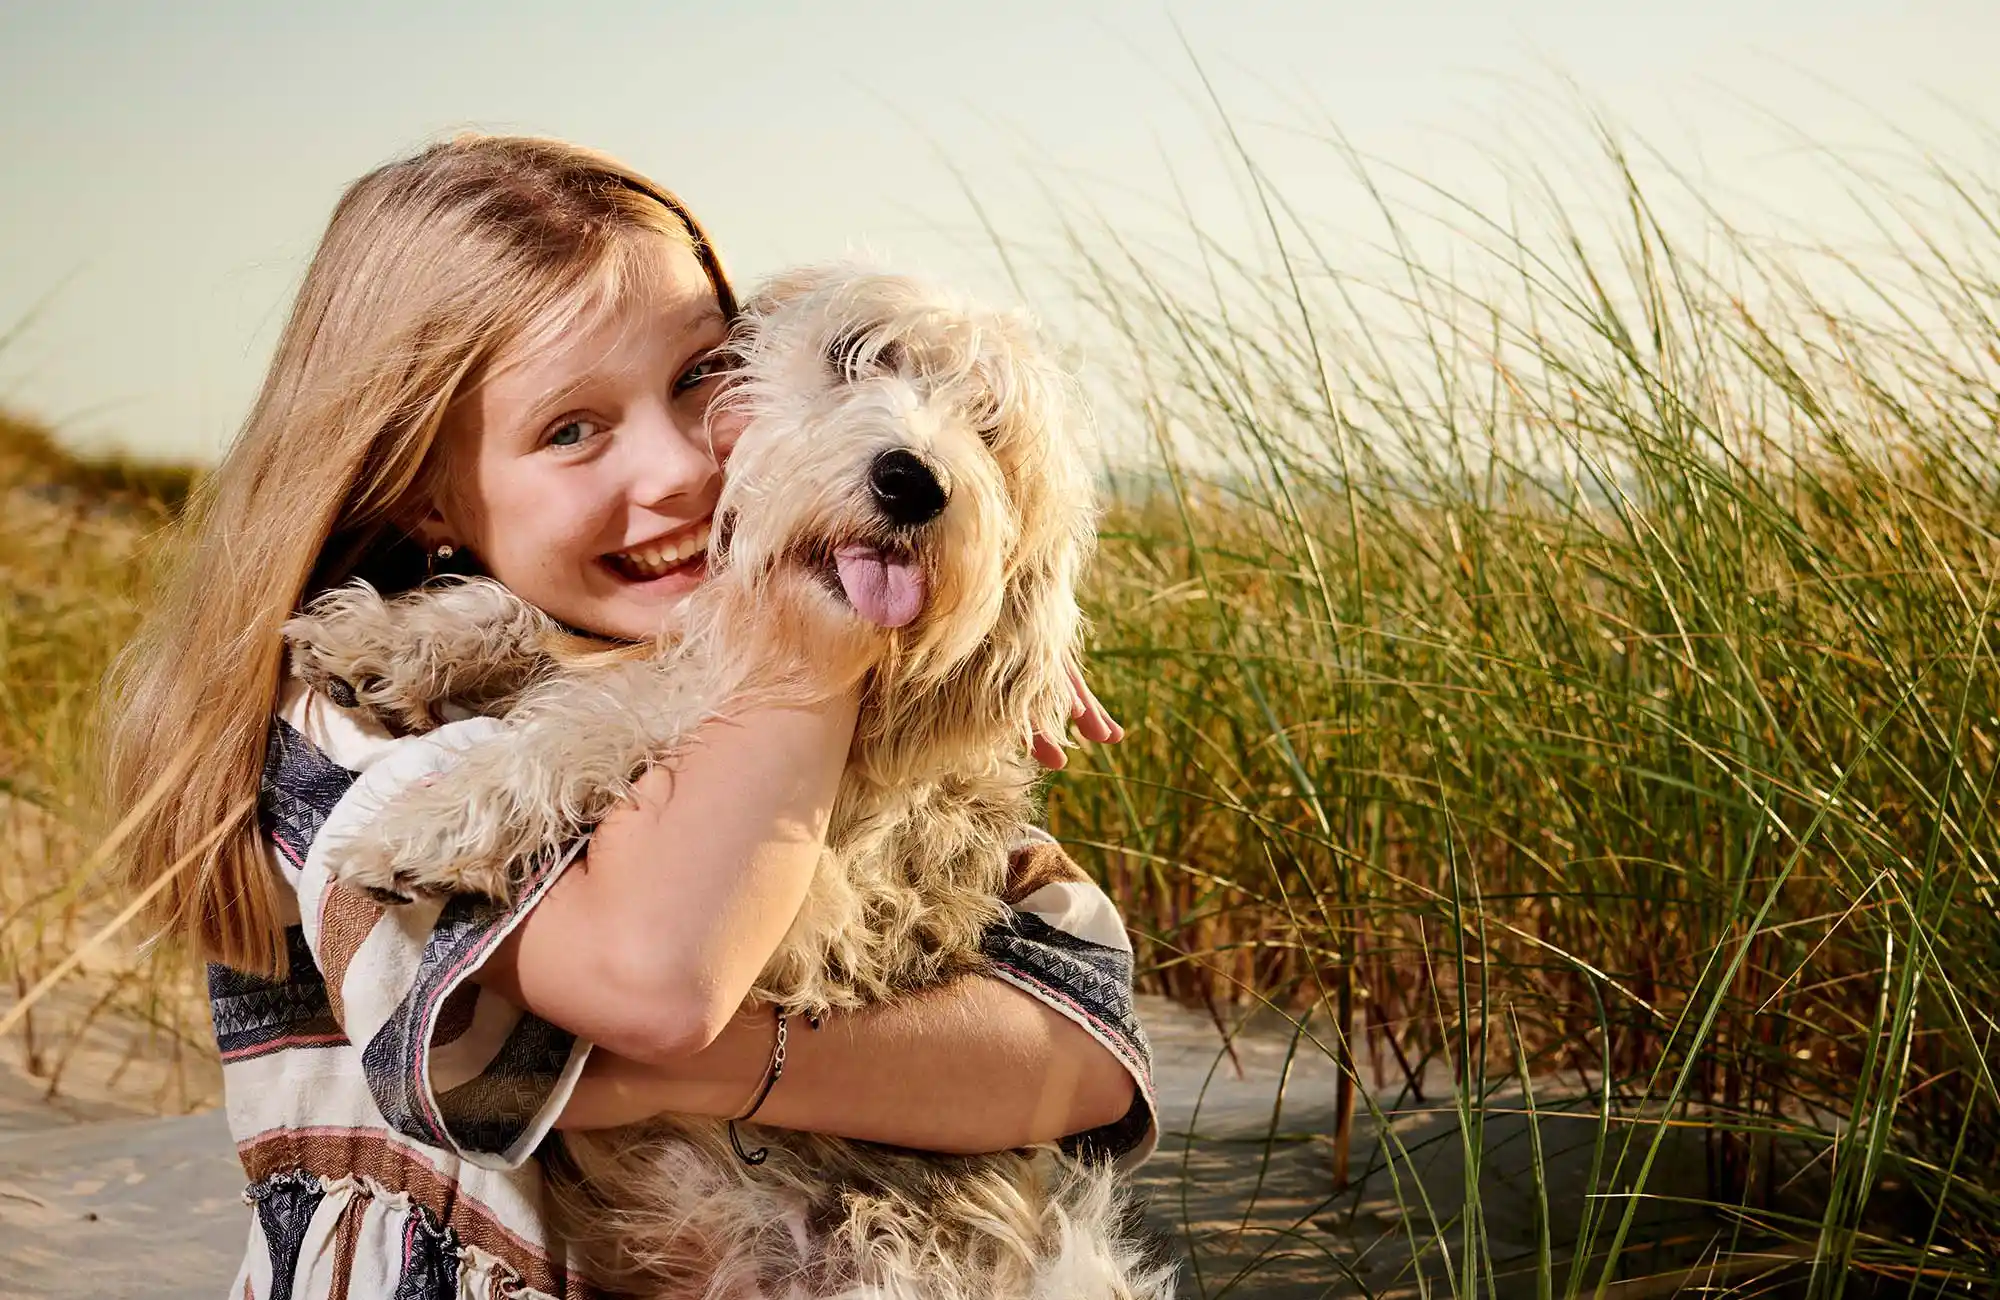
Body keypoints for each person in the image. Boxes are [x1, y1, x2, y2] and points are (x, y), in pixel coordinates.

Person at [101, 134, 1156, 1300]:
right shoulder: (345, 725)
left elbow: (1082, 1056)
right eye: (569, 429)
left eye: (701, 378)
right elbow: (653, 987)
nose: (678, 473)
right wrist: (805, 657)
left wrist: (977, 623)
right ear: (425, 492)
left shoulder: (863, 726)